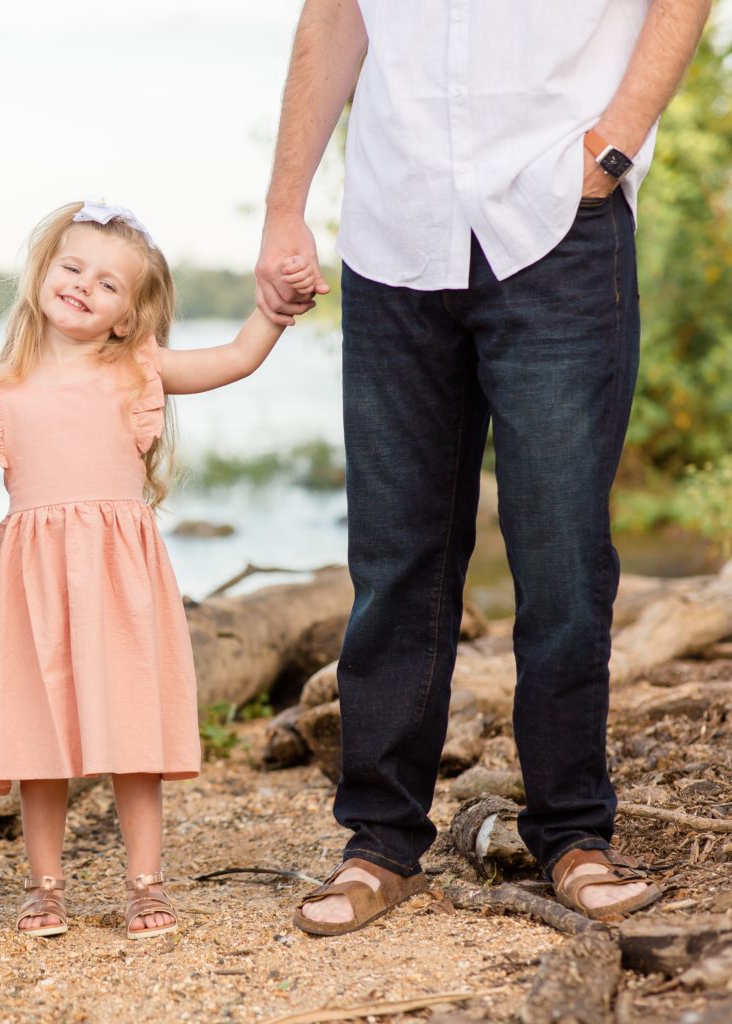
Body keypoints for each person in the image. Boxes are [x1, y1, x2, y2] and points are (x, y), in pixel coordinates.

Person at [254, 0, 712, 935]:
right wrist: (283, 207)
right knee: (395, 560)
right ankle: (379, 844)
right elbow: (335, 15)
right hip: (395, 224)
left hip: (555, 217)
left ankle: (574, 836)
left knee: (562, 559)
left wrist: (616, 144)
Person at [0, 202, 297, 939]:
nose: (85, 285)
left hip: (119, 577)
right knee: (39, 734)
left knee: (132, 732)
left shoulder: (136, 370)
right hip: (36, 578)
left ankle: (145, 884)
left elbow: (235, 359)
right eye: (73, 267)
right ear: (42, 274)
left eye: (109, 284)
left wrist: (273, 313)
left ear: (128, 317)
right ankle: (44, 887)